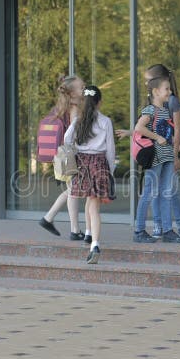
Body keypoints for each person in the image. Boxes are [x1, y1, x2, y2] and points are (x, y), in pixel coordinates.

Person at [64, 85, 115, 264]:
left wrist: (77, 150)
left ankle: (88, 233)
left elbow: (66, 139)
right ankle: (94, 244)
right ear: (99, 102)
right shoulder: (105, 121)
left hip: (83, 165)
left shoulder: (78, 120)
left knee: (88, 199)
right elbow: (110, 150)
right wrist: (110, 172)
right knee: (94, 206)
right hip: (99, 163)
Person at [134, 76, 180, 244]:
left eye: (170, 89)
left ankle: (168, 231)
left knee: (166, 194)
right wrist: (157, 137)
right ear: (156, 92)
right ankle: (139, 231)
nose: (170, 92)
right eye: (166, 89)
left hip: (167, 157)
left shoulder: (165, 111)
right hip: (155, 159)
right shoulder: (150, 110)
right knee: (148, 194)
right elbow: (139, 127)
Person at [145, 64, 180, 239]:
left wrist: (175, 157)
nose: (145, 84)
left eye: (148, 80)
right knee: (156, 190)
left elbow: (177, 131)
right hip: (155, 151)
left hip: (169, 151)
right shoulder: (151, 101)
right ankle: (158, 224)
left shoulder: (172, 101)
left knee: (172, 189)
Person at [39, 75, 85, 241]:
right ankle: (71, 229)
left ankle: (50, 219)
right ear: (72, 93)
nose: (84, 89)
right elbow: (71, 135)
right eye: (81, 87)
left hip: (60, 155)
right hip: (69, 155)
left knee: (71, 190)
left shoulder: (59, 108)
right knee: (73, 191)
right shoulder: (74, 108)